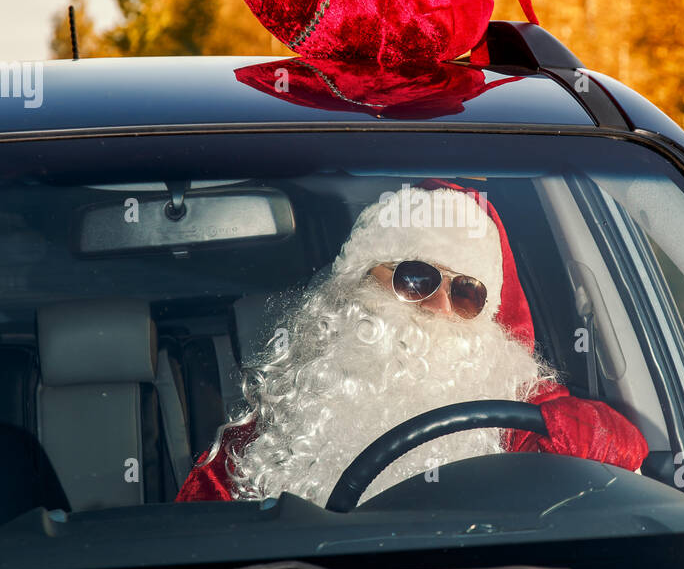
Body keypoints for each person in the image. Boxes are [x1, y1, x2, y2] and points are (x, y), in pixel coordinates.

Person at [176, 183, 648, 506]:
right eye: (416, 278)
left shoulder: (517, 407)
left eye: (466, 293)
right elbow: (197, 541)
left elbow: (620, 450)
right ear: (358, 285)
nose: (440, 306)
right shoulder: (271, 437)